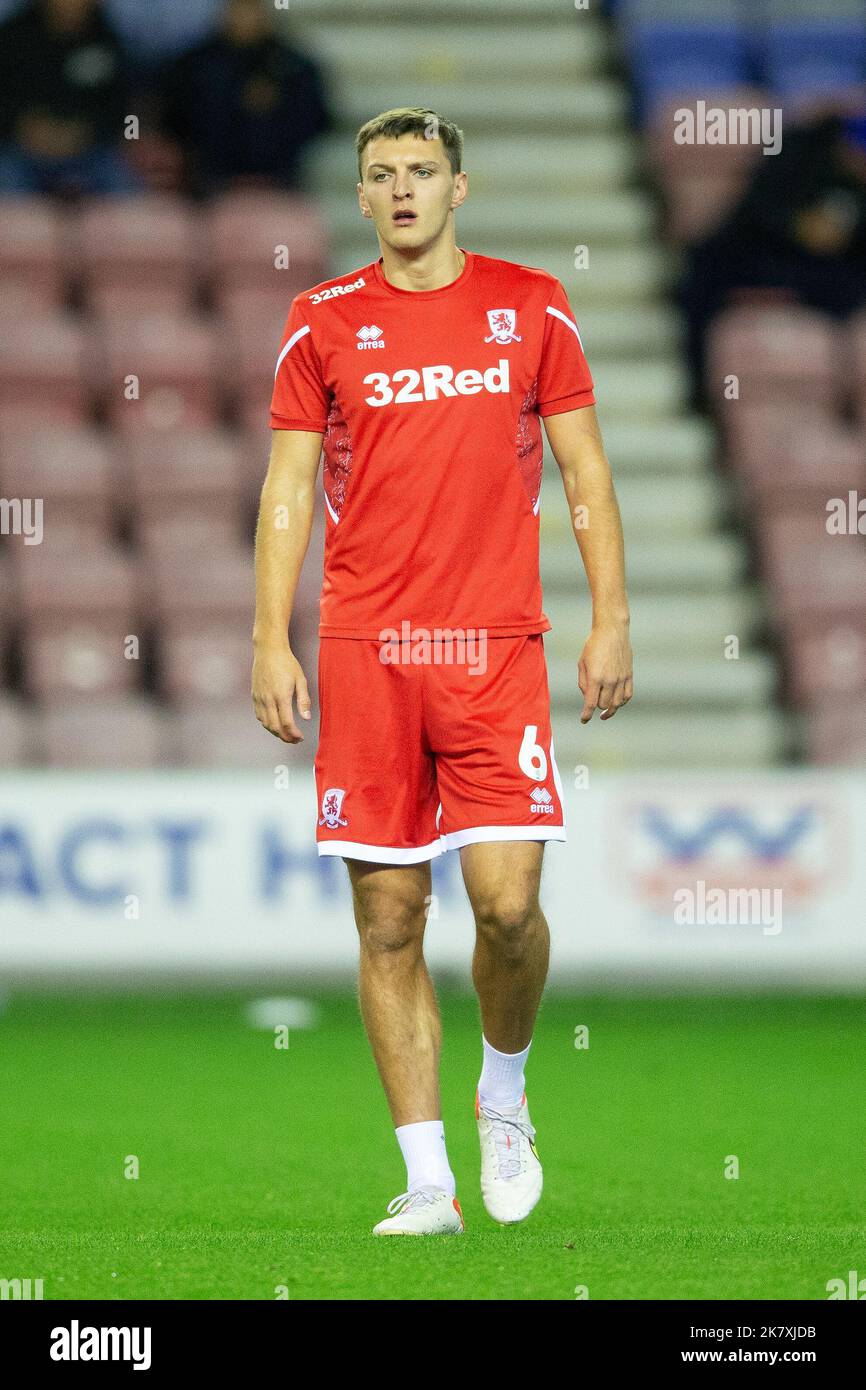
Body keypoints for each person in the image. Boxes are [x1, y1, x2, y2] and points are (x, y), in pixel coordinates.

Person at [252, 107, 633, 1235]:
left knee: (507, 908)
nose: (404, 188)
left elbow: (586, 474)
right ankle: (427, 1180)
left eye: (423, 170)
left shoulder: (528, 307)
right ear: (361, 197)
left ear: (458, 188)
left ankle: (502, 1095)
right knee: (389, 920)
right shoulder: (317, 322)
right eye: (382, 174)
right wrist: (267, 634)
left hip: (492, 650)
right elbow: (285, 491)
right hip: (367, 653)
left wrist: (609, 616)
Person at [679, 111, 866, 409]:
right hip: (757, 254)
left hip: (829, 270)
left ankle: (842, 396)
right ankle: (700, 391)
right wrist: (799, 226)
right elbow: (757, 207)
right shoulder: (798, 150)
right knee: (699, 279)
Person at [159, 0, 332, 197]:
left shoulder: (295, 67)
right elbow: (176, 122)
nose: (245, 16)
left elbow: (317, 121)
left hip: (280, 185)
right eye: (238, 7)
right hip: (208, 188)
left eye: (252, 8)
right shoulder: (194, 66)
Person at [0, 0, 141, 195]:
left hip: (89, 150)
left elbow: (127, 115)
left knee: (125, 191)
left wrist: (87, 132)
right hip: (19, 149)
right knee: (8, 182)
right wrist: (23, 127)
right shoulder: (10, 38)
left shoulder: (108, 39)